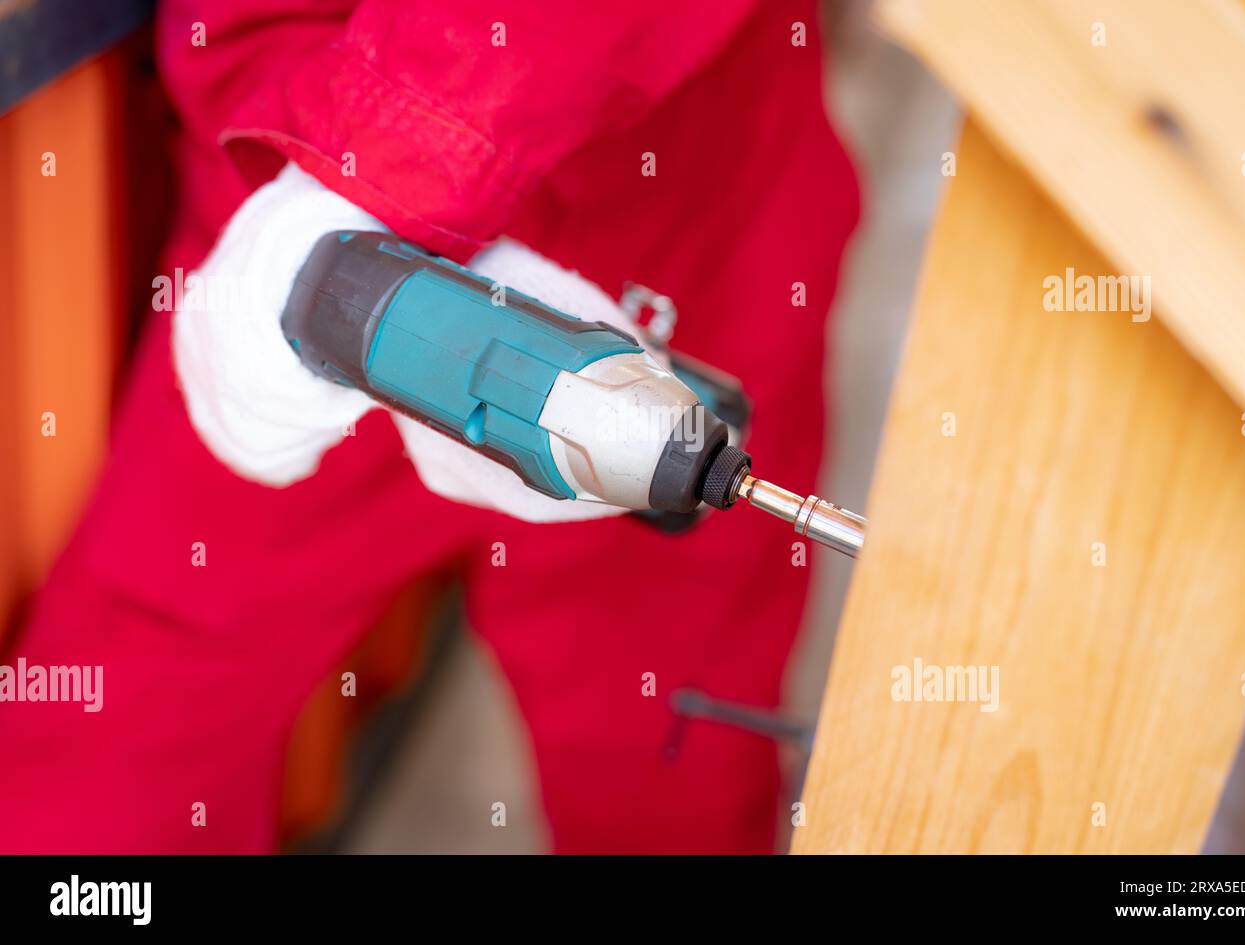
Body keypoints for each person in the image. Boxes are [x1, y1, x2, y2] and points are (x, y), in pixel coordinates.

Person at [0, 0, 860, 853]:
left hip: (680, 219)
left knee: (668, 764)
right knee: (105, 772)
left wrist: (397, 146)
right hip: (297, 248)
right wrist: (334, 194)